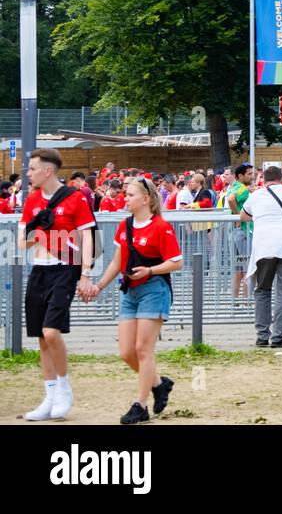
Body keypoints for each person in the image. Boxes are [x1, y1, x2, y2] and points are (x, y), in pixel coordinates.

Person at [85, 176, 182, 424]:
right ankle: (159, 384)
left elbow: (176, 262)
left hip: (154, 289)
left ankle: (140, 405)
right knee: (127, 352)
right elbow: (117, 262)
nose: (125, 198)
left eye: (130, 195)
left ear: (146, 199)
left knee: (142, 349)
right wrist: (98, 286)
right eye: (125, 194)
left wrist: (150, 271)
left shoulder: (161, 226)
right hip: (130, 291)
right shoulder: (125, 225)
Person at [19, 148, 97, 421]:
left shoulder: (75, 198)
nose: (28, 173)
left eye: (32, 169)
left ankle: (64, 388)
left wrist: (86, 274)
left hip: (66, 269)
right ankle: (49, 396)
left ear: (47, 171)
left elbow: (88, 237)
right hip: (40, 268)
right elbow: (22, 242)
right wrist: (37, 227)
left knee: (51, 331)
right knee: (41, 337)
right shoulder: (31, 200)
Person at [240, 165, 282, 348]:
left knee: (262, 291)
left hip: (263, 248)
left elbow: (244, 216)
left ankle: (262, 335)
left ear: (264, 180)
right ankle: (278, 337)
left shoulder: (255, 195)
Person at [225, 162, 255, 300]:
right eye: (249, 174)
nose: (252, 176)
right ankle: (246, 301)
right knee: (248, 268)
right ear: (240, 176)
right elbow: (232, 200)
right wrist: (239, 217)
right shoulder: (242, 188)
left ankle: (235, 301)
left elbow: (230, 199)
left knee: (237, 270)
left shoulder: (232, 187)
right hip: (242, 232)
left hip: (234, 232)